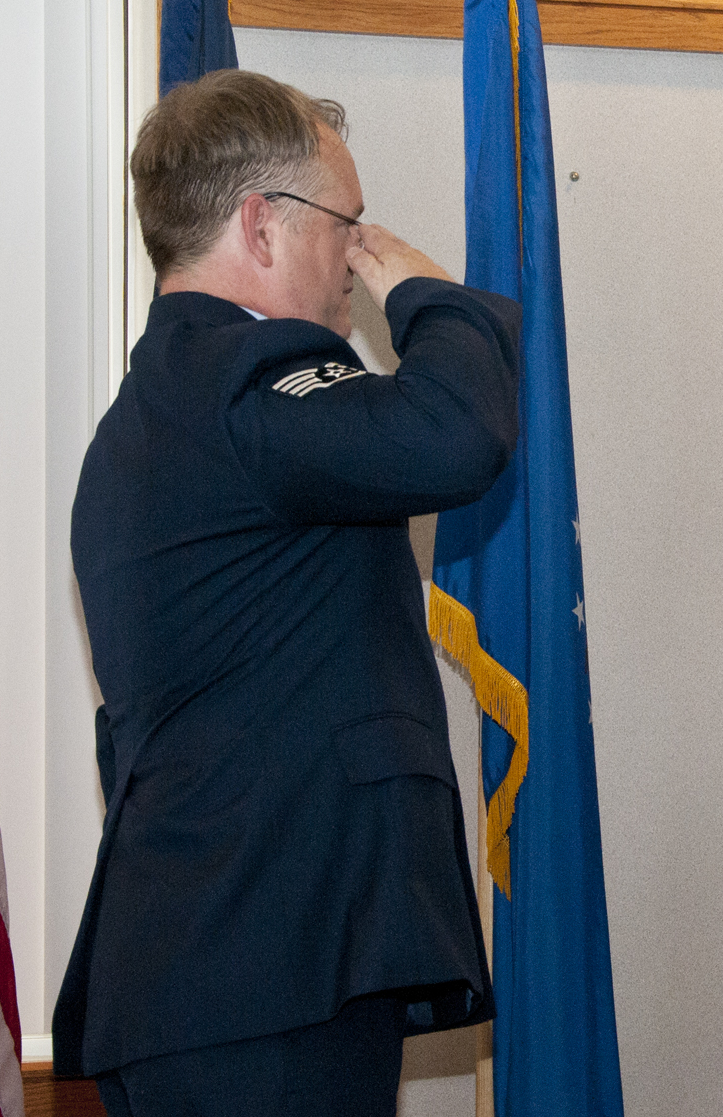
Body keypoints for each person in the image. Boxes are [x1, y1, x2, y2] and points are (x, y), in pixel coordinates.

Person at [52, 69, 519, 1117]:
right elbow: (455, 436)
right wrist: (430, 295)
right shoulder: (245, 379)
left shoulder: (148, 417)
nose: (355, 254)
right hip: (265, 966)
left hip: (220, 965)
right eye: (345, 223)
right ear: (261, 226)